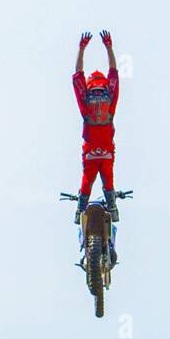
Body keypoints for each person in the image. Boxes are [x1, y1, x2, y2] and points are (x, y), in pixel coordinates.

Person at [72, 30, 120, 226]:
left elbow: (77, 75)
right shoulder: (110, 99)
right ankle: (113, 209)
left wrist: (81, 49)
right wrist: (109, 47)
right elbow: (114, 72)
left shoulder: (85, 100)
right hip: (107, 153)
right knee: (109, 184)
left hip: (90, 153)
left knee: (86, 185)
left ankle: (79, 212)